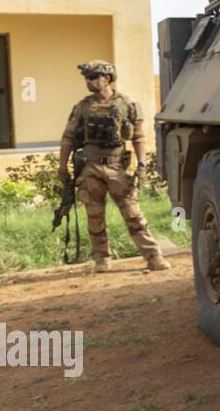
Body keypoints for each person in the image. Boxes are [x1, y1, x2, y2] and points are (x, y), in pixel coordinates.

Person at [58, 61, 171, 273]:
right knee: (94, 216)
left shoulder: (127, 104)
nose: (88, 81)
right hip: (90, 168)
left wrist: (142, 165)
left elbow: (138, 137)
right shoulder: (82, 107)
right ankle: (102, 259)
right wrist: (62, 168)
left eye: (93, 77)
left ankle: (153, 256)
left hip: (118, 167)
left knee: (133, 214)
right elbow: (67, 138)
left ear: (107, 78)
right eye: (87, 78)